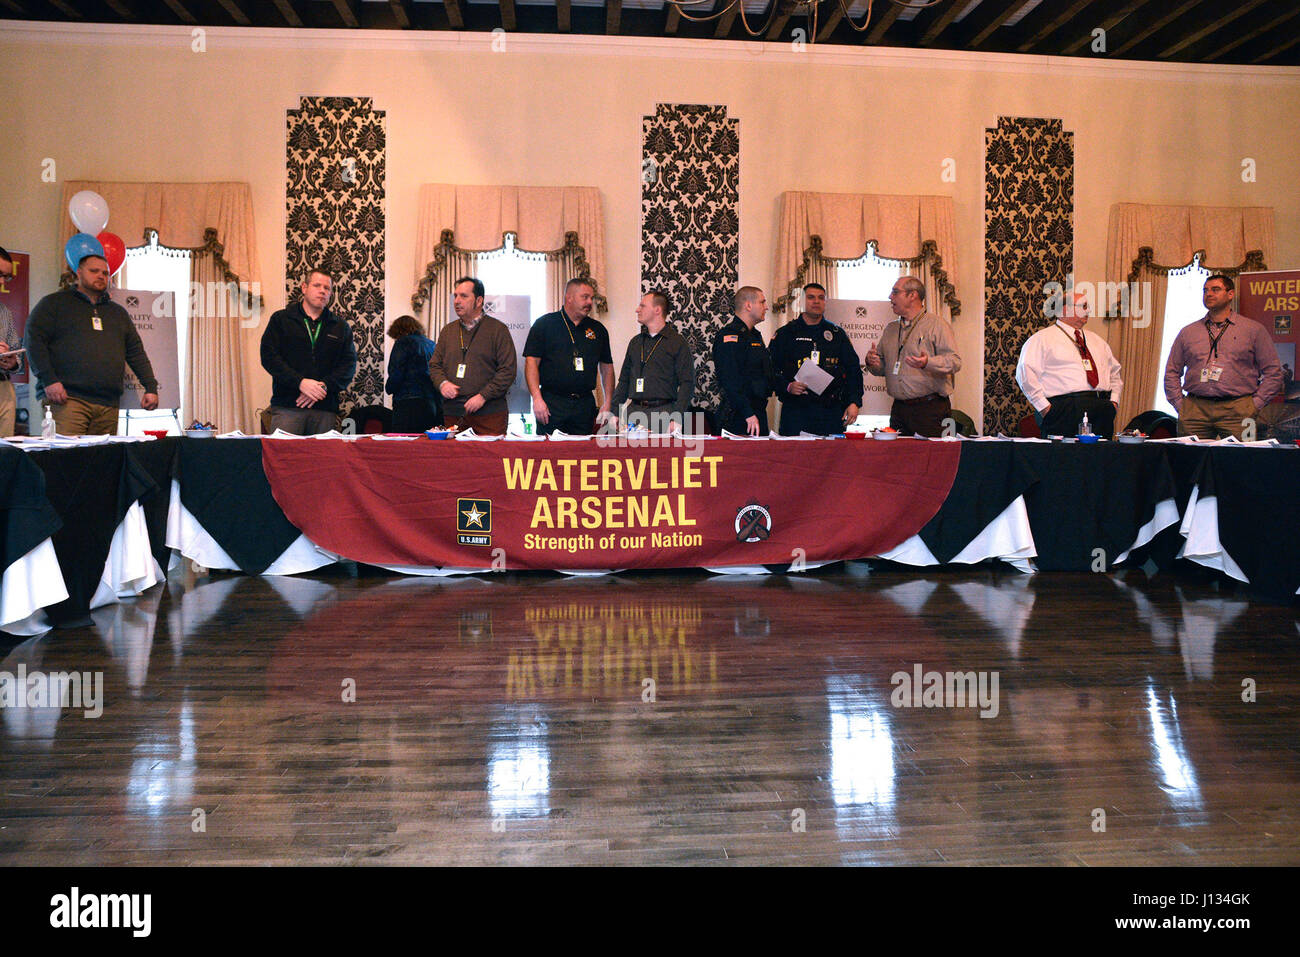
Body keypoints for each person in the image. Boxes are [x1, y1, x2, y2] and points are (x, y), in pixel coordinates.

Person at [24, 253, 159, 436]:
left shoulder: (118, 313)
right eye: (94, 271)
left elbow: (136, 353)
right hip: (67, 399)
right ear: (79, 273)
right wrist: (48, 380)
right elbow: (33, 342)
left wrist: (150, 387)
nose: (101, 276)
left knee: (102, 461)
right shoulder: (54, 304)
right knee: (66, 459)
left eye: (105, 272)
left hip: (108, 404)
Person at [1163, 274, 1284, 439]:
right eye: (1205, 290)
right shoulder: (1188, 332)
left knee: (1240, 460)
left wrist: (1254, 405)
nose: (1209, 294)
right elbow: (1171, 371)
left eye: (1215, 289)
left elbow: (1274, 373)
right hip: (1194, 410)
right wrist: (1180, 404)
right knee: (1191, 461)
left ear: (1230, 294)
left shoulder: (1253, 330)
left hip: (1239, 409)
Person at [260, 267, 357, 435]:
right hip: (288, 407)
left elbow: (348, 366)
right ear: (304, 288)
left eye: (327, 288)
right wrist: (300, 383)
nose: (322, 291)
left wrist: (323, 387)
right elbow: (269, 357)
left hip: (325, 410)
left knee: (323, 461)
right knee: (284, 460)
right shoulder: (281, 319)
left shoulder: (340, 326)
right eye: (317, 285)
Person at [1015, 290, 1123, 438]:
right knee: (1063, 459)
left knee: (1100, 459)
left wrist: (1114, 403)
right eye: (1084, 306)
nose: (1089, 310)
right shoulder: (1041, 339)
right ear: (1066, 309)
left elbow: (1115, 373)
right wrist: (1044, 407)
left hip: (1100, 408)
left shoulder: (1098, 341)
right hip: (1063, 410)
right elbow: (1025, 374)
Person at [865, 276, 961, 437]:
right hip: (899, 410)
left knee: (933, 459)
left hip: (930, 410)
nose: (890, 297)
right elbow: (882, 368)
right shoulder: (891, 329)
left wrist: (927, 362)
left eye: (895, 292)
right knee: (899, 460)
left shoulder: (937, 325)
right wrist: (872, 362)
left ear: (912, 295)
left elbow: (955, 362)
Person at [770, 282, 863, 435]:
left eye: (821, 298)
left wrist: (854, 402)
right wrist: (787, 386)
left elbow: (853, 370)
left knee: (831, 458)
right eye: (811, 297)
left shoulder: (837, 334)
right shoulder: (786, 333)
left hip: (830, 411)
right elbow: (770, 370)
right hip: (796, 410)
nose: (816, 301)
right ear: (801, 302)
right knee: (794, 458)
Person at [524, 278, 614, 435]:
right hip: (551, 404)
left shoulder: (598, 330)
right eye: (584, 297)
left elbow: (607, 368)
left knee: (581, 456)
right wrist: (537, 399)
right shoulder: (544, 325)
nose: (589, 302)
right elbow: (531, 363)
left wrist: (607, 403)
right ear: (569, 297)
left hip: (584, 405)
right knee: (549, 455)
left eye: (591, 298)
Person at [428, 277, 517, 435]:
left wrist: (483, 396)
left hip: (489, 414)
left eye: (463, 296)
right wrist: (442, 383)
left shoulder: (498, 330)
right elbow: (435, 365)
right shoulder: (448, 331)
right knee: (455, 459)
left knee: (488, 460)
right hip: (453, 414)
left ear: (479, 300)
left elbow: (507, 370)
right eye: (455, 296)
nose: (457, 301)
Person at [610, 290, 694, 433]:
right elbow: (624, 380)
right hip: (634, 412)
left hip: (664, 413)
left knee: (663, 455)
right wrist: (614, 412)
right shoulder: (635, 343)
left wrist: (677, 417)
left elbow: (687, 383)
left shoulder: (677, 342)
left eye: (642, 306)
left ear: (657, 310)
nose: (637, 309)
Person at [712, 285, 776, 436]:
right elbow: (729, 379)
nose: (766, 307)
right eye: (762, 302)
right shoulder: (729, 336)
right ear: (748, 305)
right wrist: (747, 413)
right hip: (739, 415)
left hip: (757, 411)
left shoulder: (755, 336)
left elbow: (764, 373)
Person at [384, 314, 440, 433]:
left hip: (408, 403)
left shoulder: (403, 342)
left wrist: (389, 388)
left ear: (399, 331)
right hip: (430, 402)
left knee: (403, 445)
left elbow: (397, 372)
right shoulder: (431, 344)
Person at [0, 247, 24, 437]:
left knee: (5, 456)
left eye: (6, 277)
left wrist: (13, 361)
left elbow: (15, 350)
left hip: (4, 389)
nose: (2, 281)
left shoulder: (5, 312)